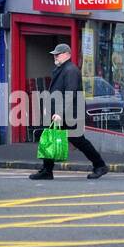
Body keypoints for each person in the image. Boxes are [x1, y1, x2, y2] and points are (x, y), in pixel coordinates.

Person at [29, 44, 109, 180]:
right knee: (50, 137)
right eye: (54, 54)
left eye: (58, 54)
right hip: (63, 113)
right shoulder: (62, 69)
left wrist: (59, 112)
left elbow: (70, 93)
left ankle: (100, 165)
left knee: (78, 140)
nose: (55, 56)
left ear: (67, 54)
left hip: (69, 114)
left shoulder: (71, 70)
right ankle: (47, 170)